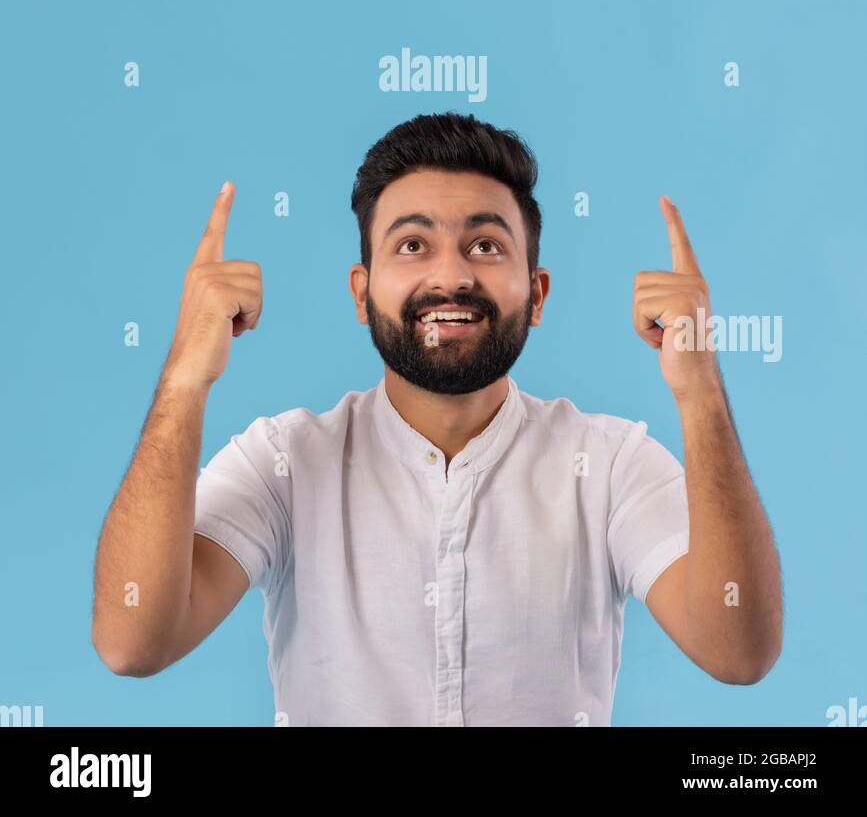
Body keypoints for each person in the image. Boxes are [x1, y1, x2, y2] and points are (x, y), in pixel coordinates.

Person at [91, 112, 782, 726]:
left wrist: (700, 393)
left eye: (485, 245)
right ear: (362, 294)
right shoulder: (285, 461)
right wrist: (184, 377)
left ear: (536, 294)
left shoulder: (608, 463)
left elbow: (738, 649)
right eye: (412, 245)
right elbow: (132, 640)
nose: (450, 277)